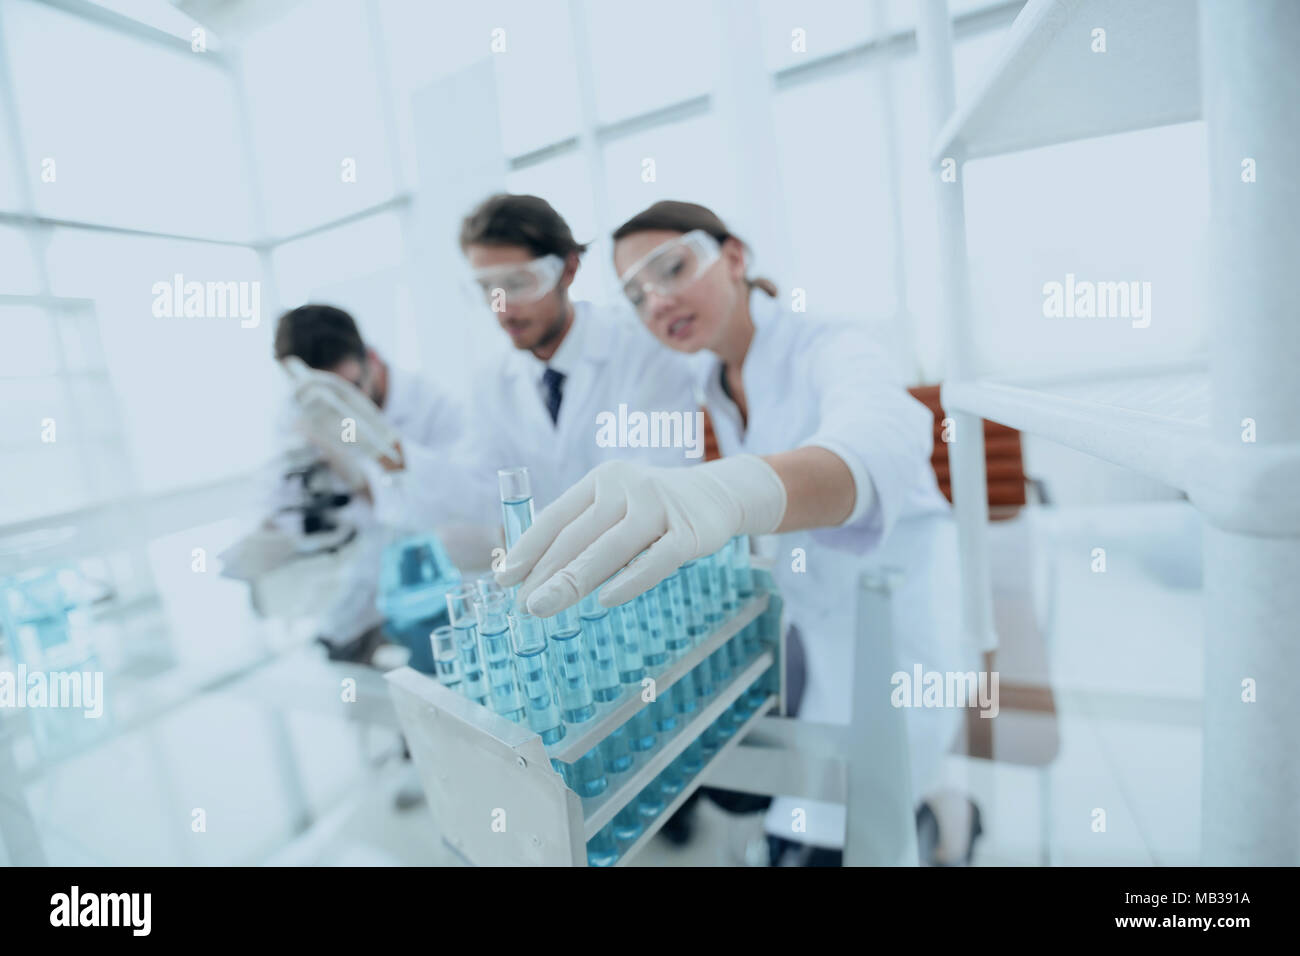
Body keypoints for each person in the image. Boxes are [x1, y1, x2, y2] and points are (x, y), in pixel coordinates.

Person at [497, 200, 979, 864]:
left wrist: (731, 491)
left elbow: (881, 441)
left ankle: (950, 816)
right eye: (636, 294)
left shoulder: (830, 344)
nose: (657, 300)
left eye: (671, 268)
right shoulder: (708, 373)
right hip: (808, 621)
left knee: (852, 827)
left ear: (734, 257)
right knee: (770, 801)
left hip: (895, 624)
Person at [361, 194, 701, 534]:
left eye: (518, 283)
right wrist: (392, 452)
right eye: (488, 288)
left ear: (568, 270)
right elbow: (481, 494)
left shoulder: (642, 346)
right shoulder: (490, 383)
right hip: (565, 576)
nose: (503, 309)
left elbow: (661, 478)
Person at [270, 303, 465, 662]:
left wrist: (373, 459)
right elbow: (281, 498)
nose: (341, 408)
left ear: (371, 358)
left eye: (348, 390)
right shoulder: (302, 413)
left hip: (436, 584)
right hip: (355, 594)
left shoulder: (433, 405)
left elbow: (452, 502)